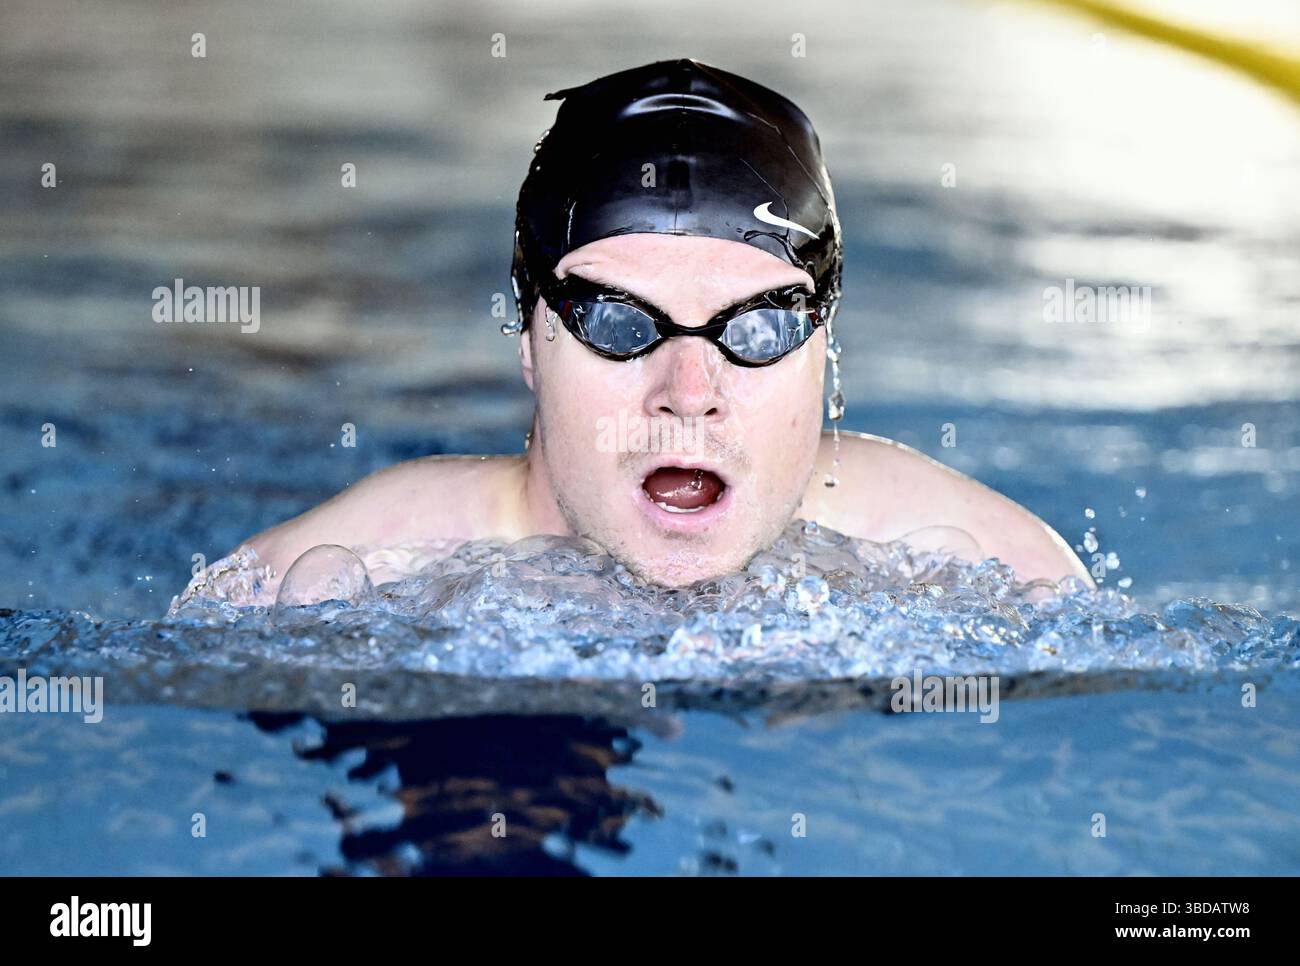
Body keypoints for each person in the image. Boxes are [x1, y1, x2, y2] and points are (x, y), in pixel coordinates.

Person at [216, 58, 1092, 602]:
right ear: (527, 339)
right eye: (618, 322)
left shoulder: (1001, 573)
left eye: (757, 329)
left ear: (826, 345)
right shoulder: (328, 585)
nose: (688, 395)